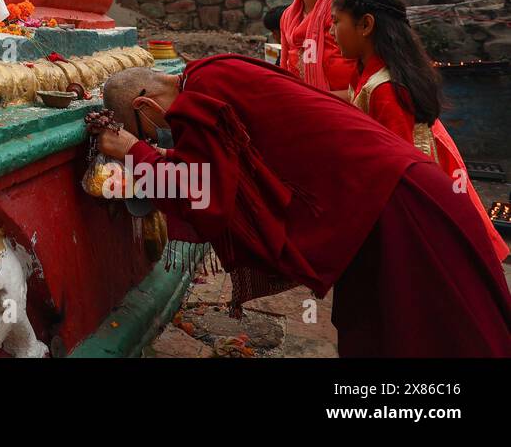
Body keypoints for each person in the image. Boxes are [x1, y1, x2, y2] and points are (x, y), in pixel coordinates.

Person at [94, 57, 511, 357]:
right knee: (383, 327)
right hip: (399, 194)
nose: (162, 137)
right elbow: (228, 169)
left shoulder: (194, 102)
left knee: (433, 334)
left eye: (152, 131)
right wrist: (152, 156)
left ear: (144, 105)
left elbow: (206, 198)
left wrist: (135, 152)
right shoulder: (211, 72)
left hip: (397, 205)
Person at [331, 0, 508, 263]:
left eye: (336, 21)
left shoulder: (385, 90)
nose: (331, 32)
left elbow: (400, 172)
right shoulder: (370, 76)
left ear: (365, 25)